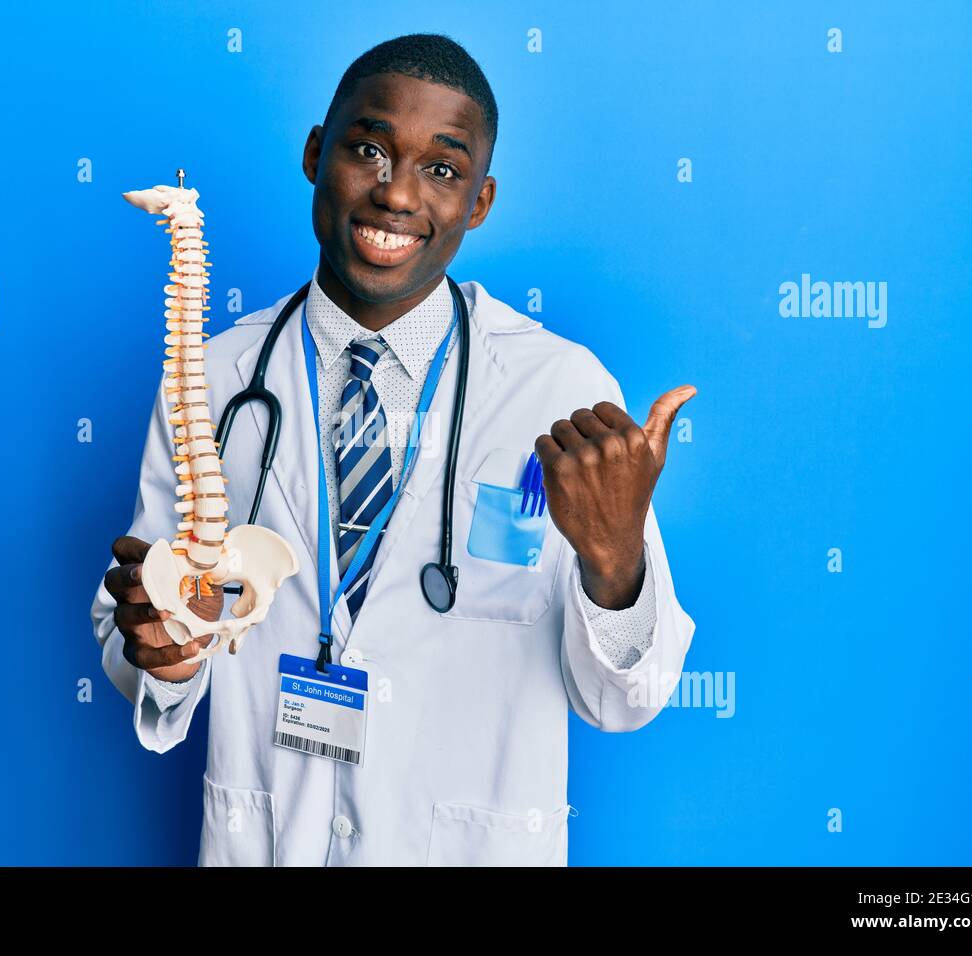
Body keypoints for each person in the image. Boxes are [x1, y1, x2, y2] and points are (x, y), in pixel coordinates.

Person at [91, 33, 696, 866]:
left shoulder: (559, 388)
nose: (396, 193)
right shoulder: (218, 373)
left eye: (442, 170)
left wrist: (615, 559)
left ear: (480, 201)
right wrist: (160, 647)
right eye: (368, 149)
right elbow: (140, 645)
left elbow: (625, 698)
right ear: (315, 153)